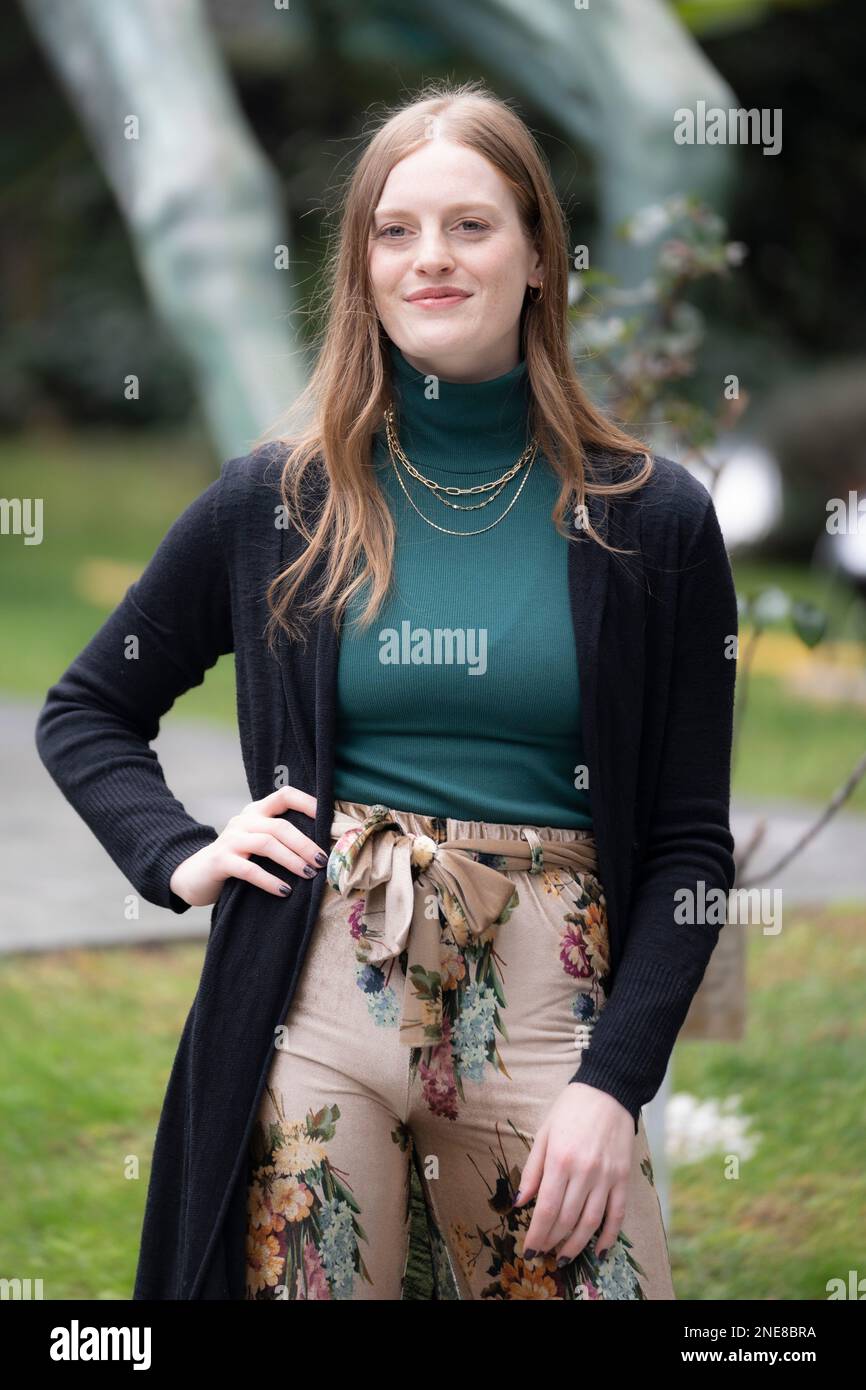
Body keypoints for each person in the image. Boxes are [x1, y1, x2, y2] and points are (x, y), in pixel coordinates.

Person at [35, 79, 738, 1301]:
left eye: (470, 226)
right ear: (360, 267)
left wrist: (612, 1081)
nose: (430, 259)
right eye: (395, 231)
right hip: (310, 1002)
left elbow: (686, 849)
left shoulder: (652, 519)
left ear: (536, 257)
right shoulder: (276, 501)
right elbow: (87, 708)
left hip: (546, 1013)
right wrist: (180, 854)